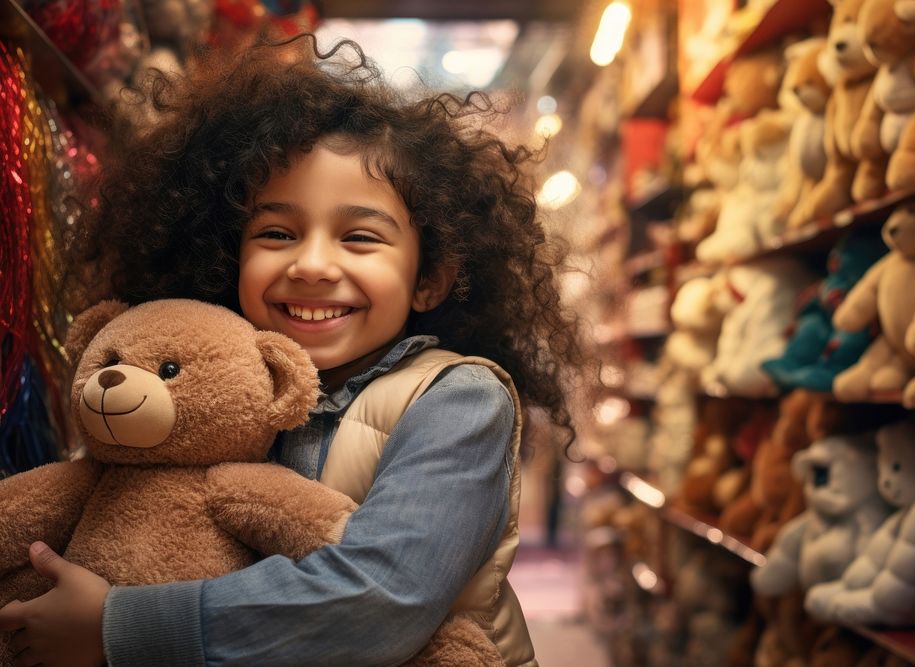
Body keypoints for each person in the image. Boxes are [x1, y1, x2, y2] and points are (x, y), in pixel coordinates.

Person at [0, 37, 585, 666]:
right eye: (277, 233)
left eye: (360, 237)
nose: (310, 265)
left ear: (429, 278)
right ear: (228, 256)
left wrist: (119, 628)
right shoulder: (210, 394)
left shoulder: (460, 401)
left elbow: (379, 597)